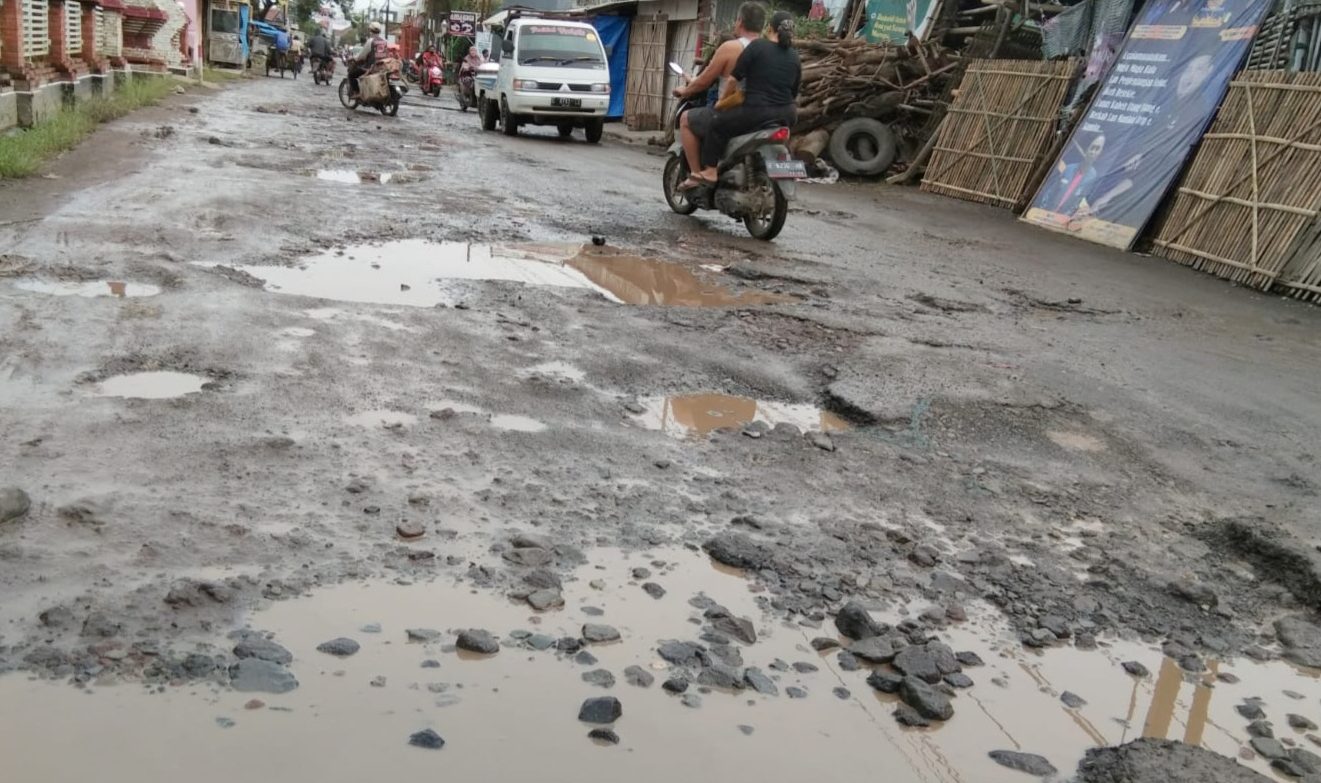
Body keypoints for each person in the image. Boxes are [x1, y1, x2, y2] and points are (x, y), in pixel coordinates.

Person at [688, 10, 801, 188]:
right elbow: (794, 92)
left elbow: (733, 80)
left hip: (756, 111)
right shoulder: (795, 57)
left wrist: (722, 102)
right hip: (787, 115)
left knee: (717, 124)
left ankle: (710, 170)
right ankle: (782, 173)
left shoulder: (757, 46)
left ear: (769, 28)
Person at [671, 4, 765, 182]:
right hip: (762, 113)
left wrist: (685, 91)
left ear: (740, 21)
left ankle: (697, 174)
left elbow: (704, 81)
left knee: (685, 119)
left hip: (731, 112)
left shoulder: (730, 47)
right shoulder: (768, 49)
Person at [348, 22, 389, 97]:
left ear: (370, 30)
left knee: (351, 74)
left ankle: (357, 92)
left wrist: (353, 58)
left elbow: (361, 56)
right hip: (382, 68)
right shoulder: (384, 41)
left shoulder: (370, 41)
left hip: (370, 68)